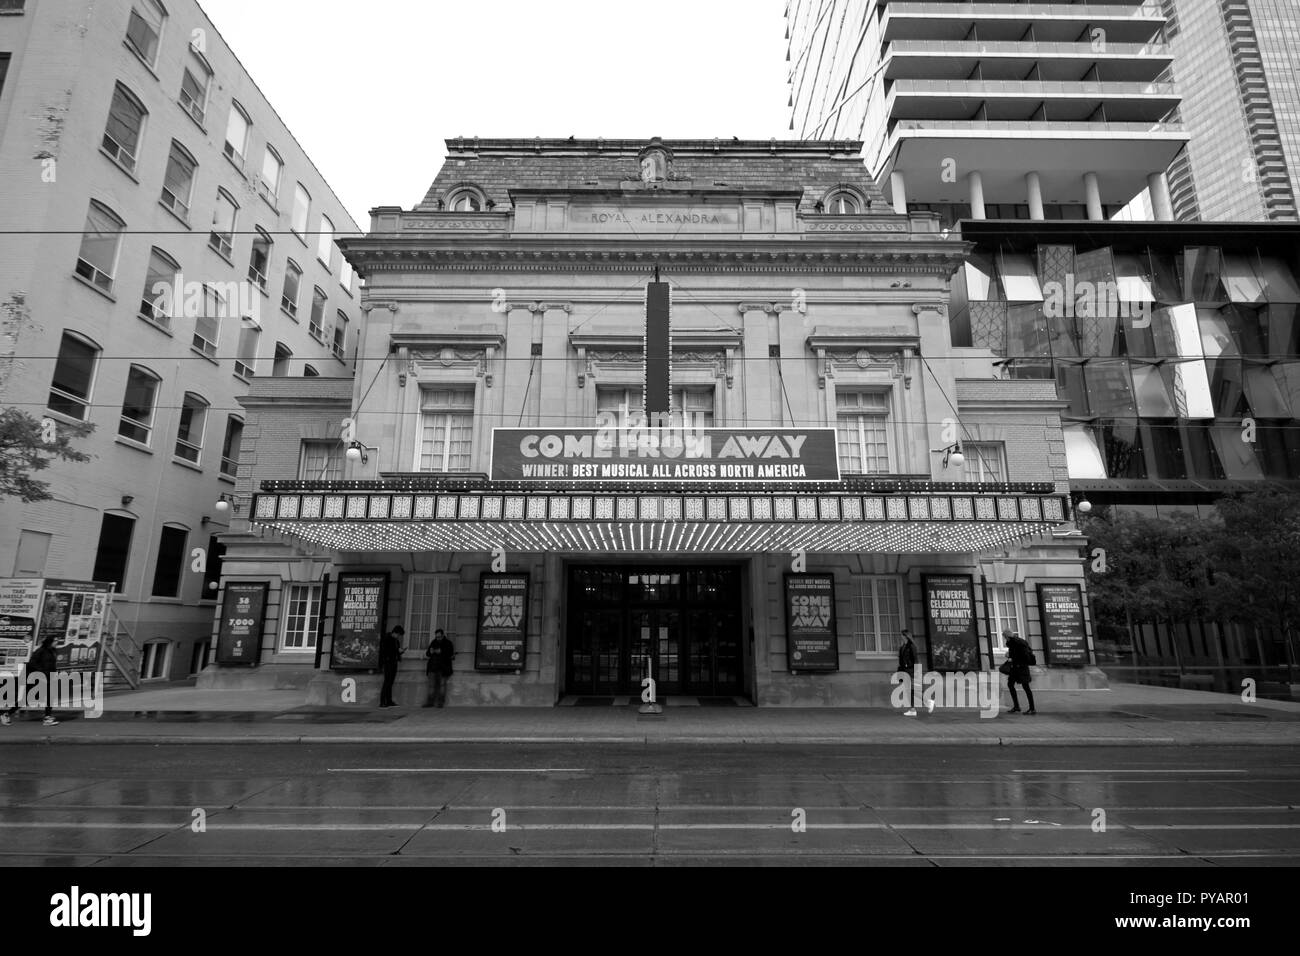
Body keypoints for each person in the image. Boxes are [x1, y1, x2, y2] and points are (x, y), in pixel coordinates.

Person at [2, 636, 59, 726]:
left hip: (47, 677)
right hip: (36, 677)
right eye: (55, 640)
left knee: (49, 696)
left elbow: (52, 665)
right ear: (50, 641)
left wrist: (54, 674)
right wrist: (42, 672)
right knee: (27, 698)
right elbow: (32, 664)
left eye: (57, 640)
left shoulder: (53, 651)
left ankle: (47, 717)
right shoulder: (40, 651)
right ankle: (7, 714)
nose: (57, 642)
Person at [1004, 630, 1037, 715]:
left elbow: (1021, 655)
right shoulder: (1019, 641)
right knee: (1012, 684)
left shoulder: (1015, 643)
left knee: (1025, 687)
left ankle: (1031, 708)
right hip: (1019, 668)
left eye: (1005, 638)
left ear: (1007, 637)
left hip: (1020, 668)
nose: (1005, 640)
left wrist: (1010, 656)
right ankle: (1017, 706)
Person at [424, 628, 455, 708]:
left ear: (443, 635)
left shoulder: (448, 643)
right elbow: (428, 654)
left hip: (443, 668)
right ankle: (430, 702)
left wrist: (441, 652)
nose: (438, 638)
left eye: (439, 637)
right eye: (437, 637)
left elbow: (451, 654)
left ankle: (440, 703)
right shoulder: (433, 642)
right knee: (431, 686)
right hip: (432, 667)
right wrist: (430, 652)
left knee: (442, 685)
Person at [378, 625, 404, 708]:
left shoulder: (396, 641)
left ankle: (389, 701)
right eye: (399, 635)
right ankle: (382, 702)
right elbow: (385, 651)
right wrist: (396, 650)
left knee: (391, 682)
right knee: (387, 682)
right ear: (395, 632)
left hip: (394, 662)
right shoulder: (387, 639)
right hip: (388, 663)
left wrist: (400, 651)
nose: (399, 636)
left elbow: (396, 651)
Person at [897, 627, 918, 717]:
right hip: (904, 670)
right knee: (908, 690)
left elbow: (915, 660)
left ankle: (913, 709)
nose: (900, 637)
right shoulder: (903, 647)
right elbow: (901, 660)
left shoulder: (911, 646)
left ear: (905, 636)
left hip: (910, 670)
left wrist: (915, 672)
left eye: (901, 635)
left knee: (911, 690)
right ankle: (912, 709)